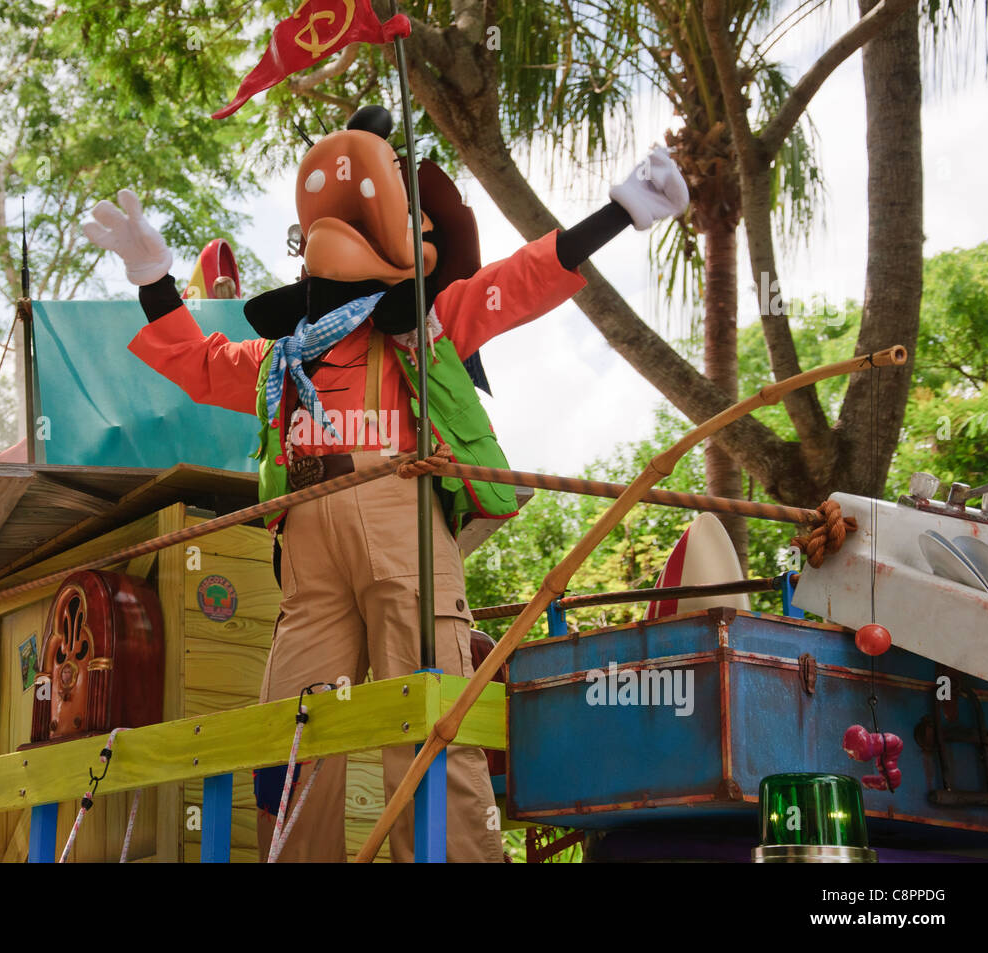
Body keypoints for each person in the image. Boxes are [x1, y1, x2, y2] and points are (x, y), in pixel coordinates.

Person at [84, 107, 689, 861]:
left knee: (425, 711)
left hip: (402, 529)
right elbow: (200, 363)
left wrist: (618, 212)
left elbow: (519, 281)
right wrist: (155, 281)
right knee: (294, 725)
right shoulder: (280, 362)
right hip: (308, 552)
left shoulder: (420, 331)